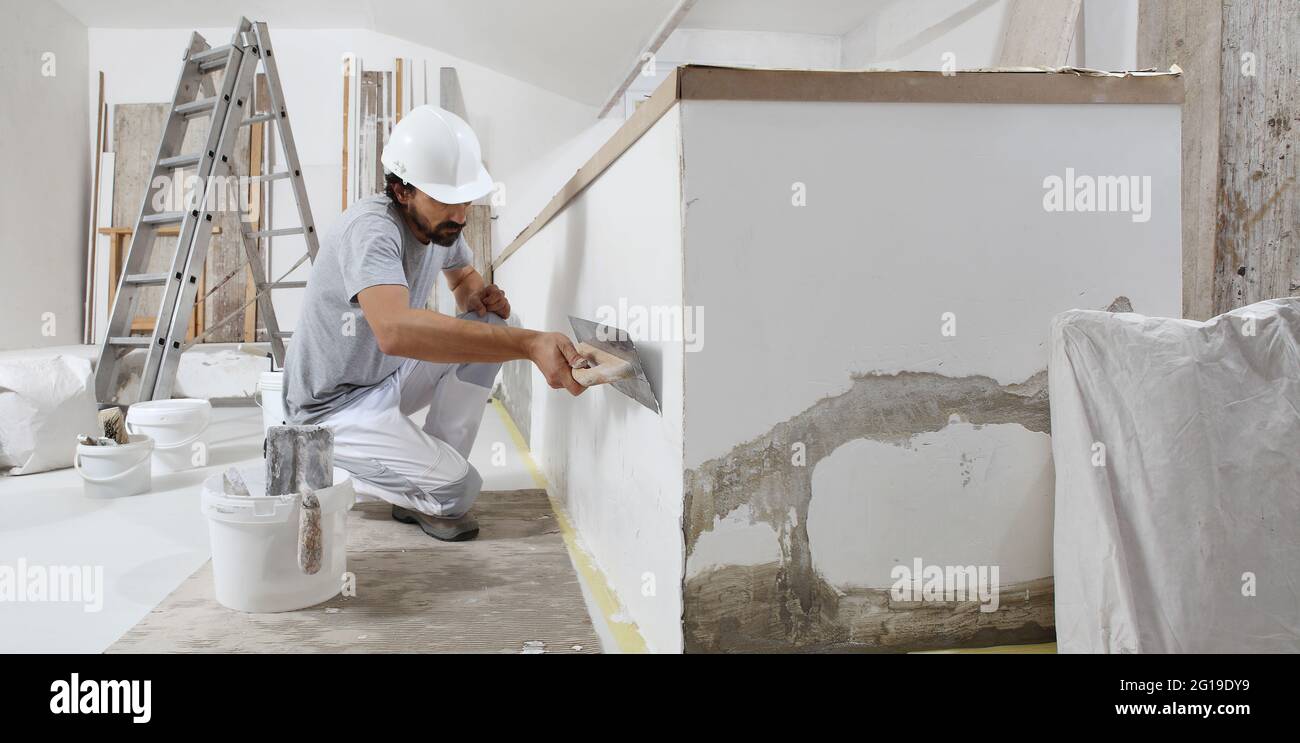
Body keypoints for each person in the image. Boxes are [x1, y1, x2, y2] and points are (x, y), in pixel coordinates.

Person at [283, 105, 585, 541]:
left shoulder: (442, 227)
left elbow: (462, 277)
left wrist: (479, 296)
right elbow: (395, 331)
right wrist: (530, 344)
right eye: (447, 198)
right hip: (330, 410)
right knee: (460, 491)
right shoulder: (372, 230)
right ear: (402, 191)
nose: (461, 214)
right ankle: (315, 461)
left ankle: (427, 478)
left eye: (465, 198)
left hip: (384, 381)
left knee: (495, 325)